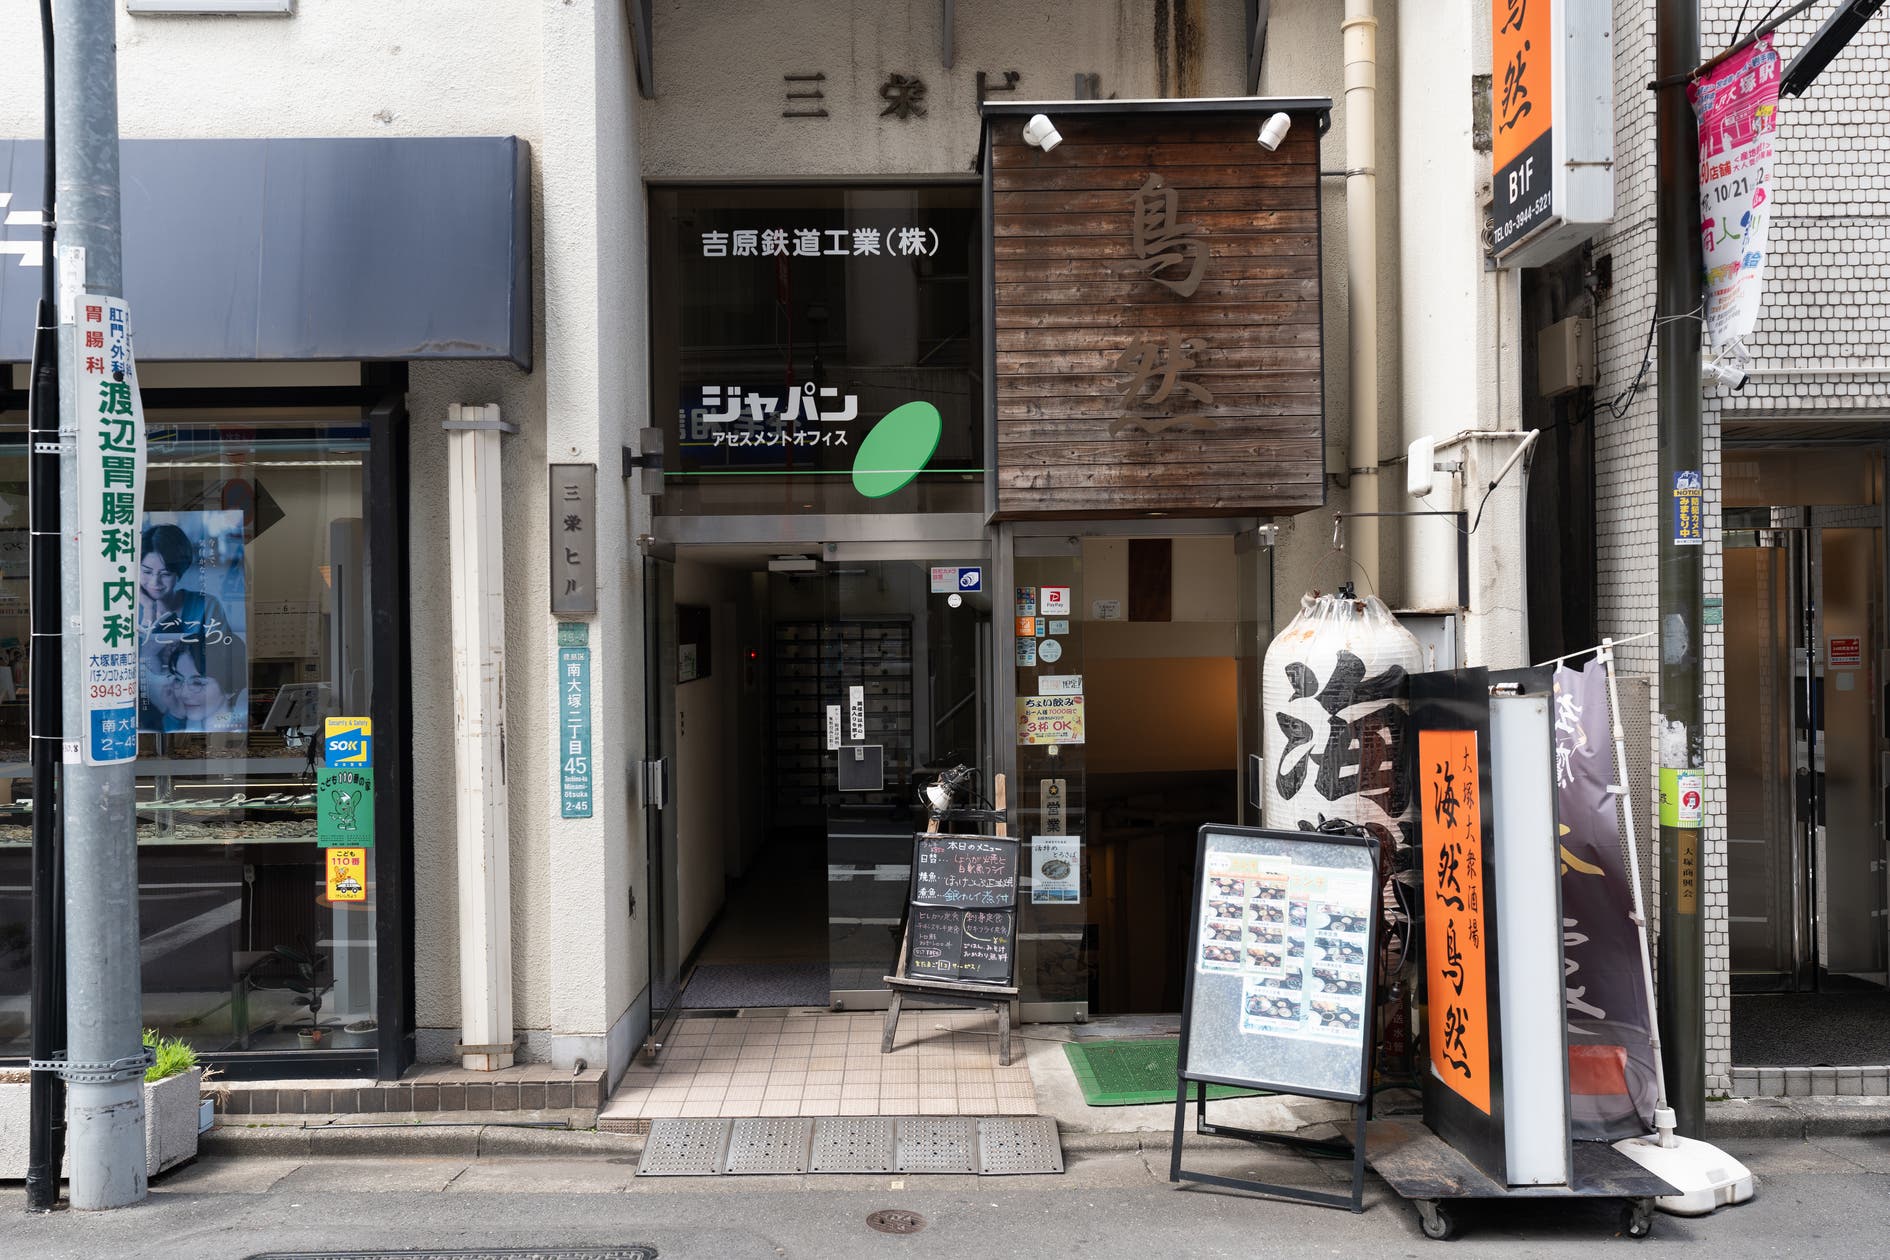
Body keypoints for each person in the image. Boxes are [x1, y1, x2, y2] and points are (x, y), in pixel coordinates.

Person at [137, 524, 234, 646]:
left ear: (179, 573)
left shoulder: (206, 606)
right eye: (146, 572)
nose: (154, 582)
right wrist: (148, 610)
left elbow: (222, 657)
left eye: (165, 574)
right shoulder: (124, 609)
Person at [144, 634, 248, 733]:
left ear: (231, 686)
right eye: (178, 679)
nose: (183, 694)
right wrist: (175, 715)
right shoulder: (185, 722)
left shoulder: (242, 733)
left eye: (198, 683)